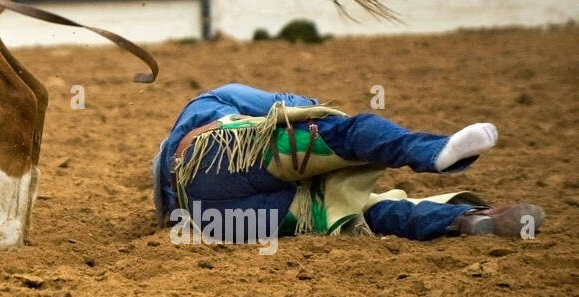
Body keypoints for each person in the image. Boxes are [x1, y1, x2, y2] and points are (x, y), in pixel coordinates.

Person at [153, 83, 544, 241]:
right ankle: (433, 154)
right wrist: (342, 133)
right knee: (352, 134)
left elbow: (169, 215)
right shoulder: (207, 102)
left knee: (352, 212)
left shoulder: (168, 178)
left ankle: (467, 221)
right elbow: (289, 107)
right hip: (222, 156)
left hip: (211, 219)